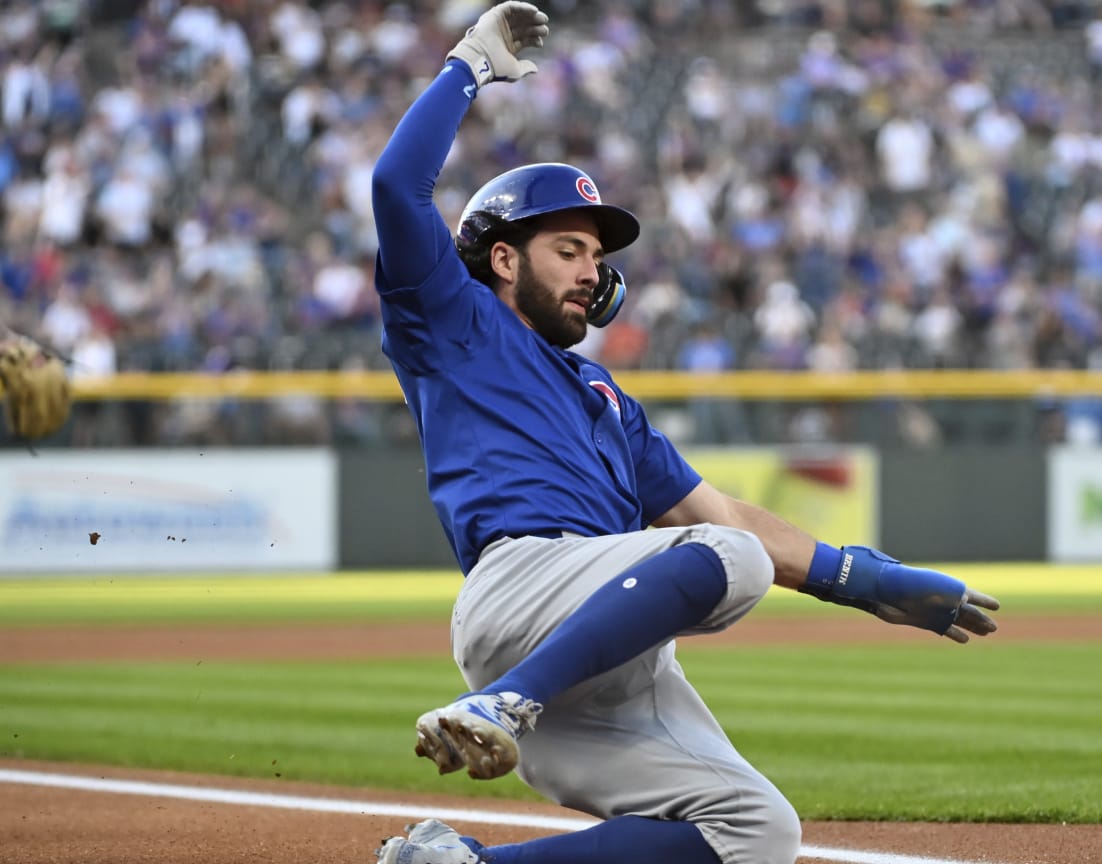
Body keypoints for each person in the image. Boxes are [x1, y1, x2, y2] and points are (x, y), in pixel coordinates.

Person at [369, 5, 1000, 864]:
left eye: (599, 257)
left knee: (758, 832)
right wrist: (468, 66)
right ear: (505, 259)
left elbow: (721, 514)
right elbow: (395, 187)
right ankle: (502, 704)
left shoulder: (604, 396)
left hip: (610, 644)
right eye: (569, 249)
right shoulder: (456, 320)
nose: (593, 271)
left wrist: (865, 579)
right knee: (727, 556)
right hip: (522, 595)